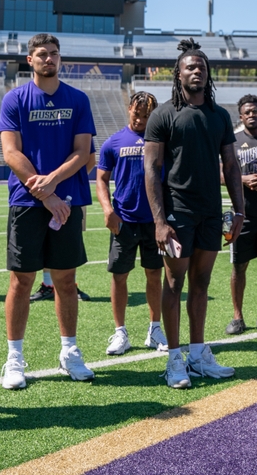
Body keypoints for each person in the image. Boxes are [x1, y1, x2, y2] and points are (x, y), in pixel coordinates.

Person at [0, 33, 96, 389]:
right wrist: (44, 194)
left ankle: (69, 352)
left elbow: (83, 151)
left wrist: (53, 182)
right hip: (27, 202)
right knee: (21, 281)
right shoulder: (15, 99)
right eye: (42, 54)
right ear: (30, 59)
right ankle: (14, 359)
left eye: (54, 54)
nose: (49, 59)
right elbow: (11, 153)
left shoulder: (78, 98)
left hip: (67, 201)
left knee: (66, 282)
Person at [144, 39, 245, 389]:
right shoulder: (163, 114)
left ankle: (199, 355)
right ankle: (174, 358)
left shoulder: (219, 115)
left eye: (201, 67)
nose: (196, 71)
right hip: (177, 214)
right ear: (179, 73)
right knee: (174, 284)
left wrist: (240, 208)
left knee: (201, 283)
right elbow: (151, 168)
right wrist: (159, 221)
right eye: (190, 66)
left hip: (211, 212)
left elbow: (231, 165)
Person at [97, 91, 167, 355]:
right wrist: (107, 210)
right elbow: (101, 179)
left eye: (147, 116)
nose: (141, 120)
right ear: (129, 110)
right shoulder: (113, 142)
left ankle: (155, 329)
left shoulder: (161, 142)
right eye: (137, 114)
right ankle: (120, 333)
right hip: (124, 220)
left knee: (154, 275)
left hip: (154, 222)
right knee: (119, 277)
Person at [226, 94, 257, 335]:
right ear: (241, 116)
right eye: (247, 112)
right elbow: (220, 173)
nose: (252, 115)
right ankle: (237, 317)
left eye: (256, 111)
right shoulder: (233, 142)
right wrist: (242, 179)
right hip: (241, 214)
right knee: (239, 266)